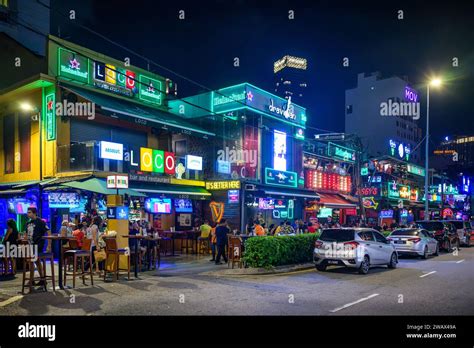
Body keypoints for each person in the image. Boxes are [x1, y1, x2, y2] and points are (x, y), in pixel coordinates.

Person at [26, 207, 50, 286]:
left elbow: (48, 231)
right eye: (28, 212)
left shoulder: (40, 222)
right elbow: (27, 234)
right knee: (36, 262)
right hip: (30, 245)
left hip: (38, 245)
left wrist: (49, 245)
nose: (28, 214)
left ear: (34, 213)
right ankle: (42, 279)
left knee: (32, 261)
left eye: (29, 212)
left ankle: (32, 280)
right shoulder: (28, 223)